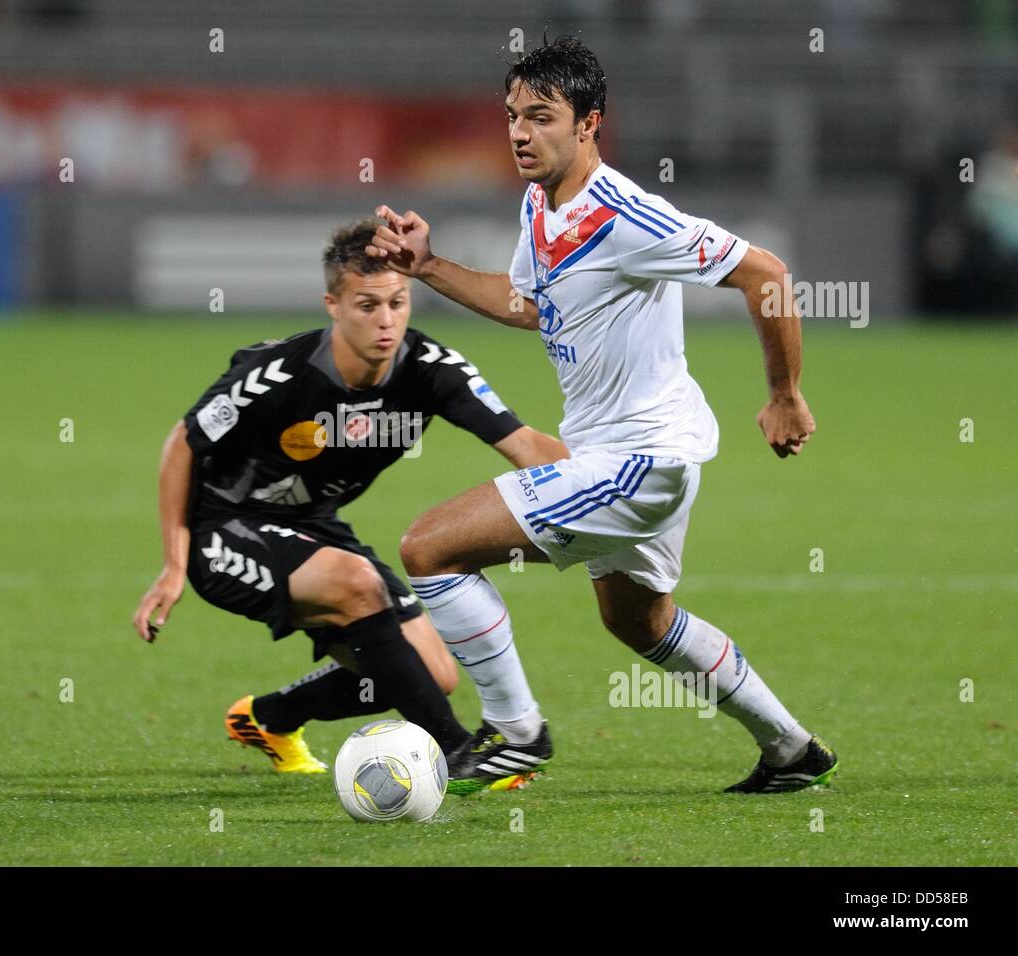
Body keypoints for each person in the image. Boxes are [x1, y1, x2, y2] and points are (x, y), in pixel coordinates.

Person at [367, 36, 838, 793]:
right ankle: (790, 750)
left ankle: (517, 733)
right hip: (621, 451)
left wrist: (786, 394)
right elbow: (530, 305)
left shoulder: (626, 215)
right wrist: (428, 268)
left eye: (542, 116)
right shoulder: (539, 202)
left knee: (428, 549)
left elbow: (767, 273)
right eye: (513, 115)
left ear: (589, 123)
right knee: (639, 623)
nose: (520, 132)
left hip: (639, 462)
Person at [132, 220, 566, 790]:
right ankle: (458, 753)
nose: (386, 321)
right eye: (367, 305)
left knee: (430, 675)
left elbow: (526, 445)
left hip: (314, 527)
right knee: (358, 585)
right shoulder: (279, 374)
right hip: (225, 527)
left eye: (397, 302)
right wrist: (172, 563)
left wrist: (612, 483)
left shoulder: (431, 371)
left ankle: (268, 718)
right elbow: (183, 443)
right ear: (333, 304)